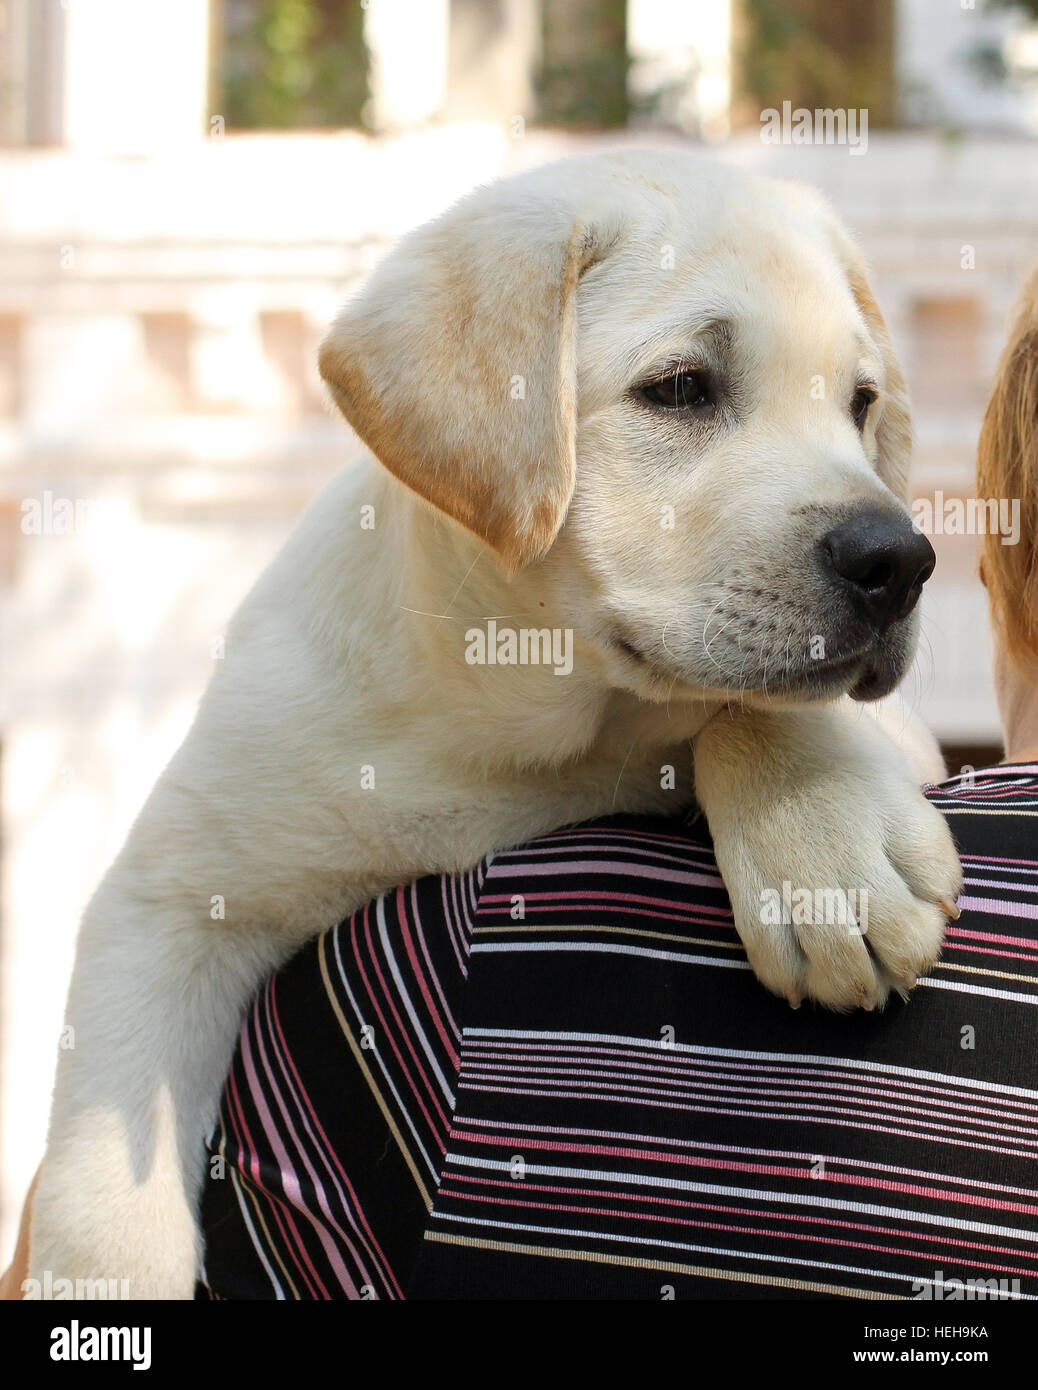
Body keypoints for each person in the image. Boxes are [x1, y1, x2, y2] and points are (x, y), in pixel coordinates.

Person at [5, 271, 1038, 1301]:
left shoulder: (427, 981)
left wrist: (778, 746)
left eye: (859, 413)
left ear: (997, 574)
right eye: (683, 391)